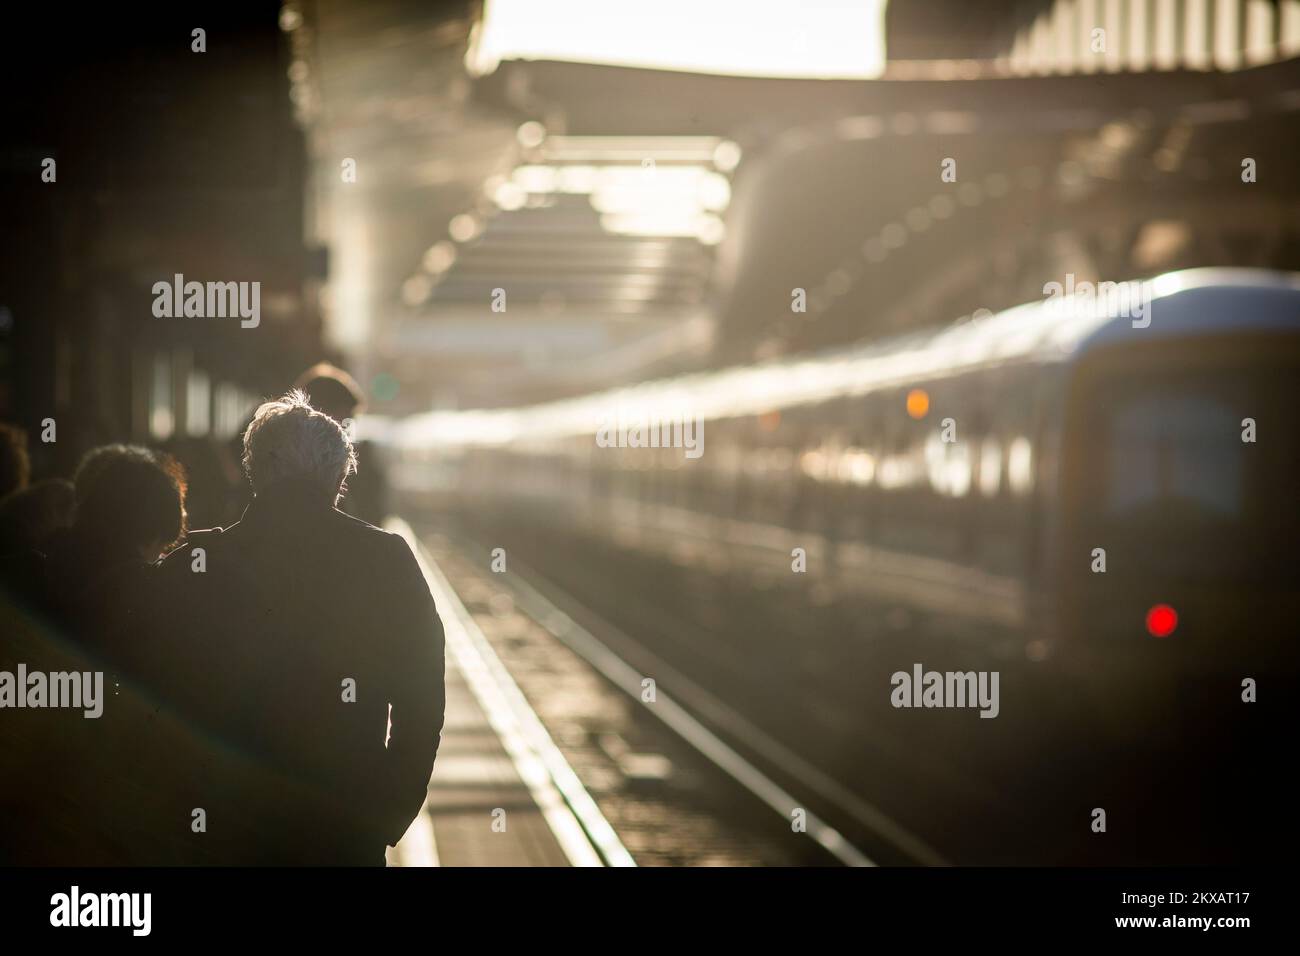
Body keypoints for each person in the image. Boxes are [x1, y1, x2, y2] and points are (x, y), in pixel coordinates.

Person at [151, 390, 445, 865]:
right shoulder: (386, 559)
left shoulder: (199, 562)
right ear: (338, 478)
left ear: (256, 472)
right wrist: (388, 811)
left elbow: (150, 681)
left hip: (221, 826)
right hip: (340, 827)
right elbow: (423, 699)